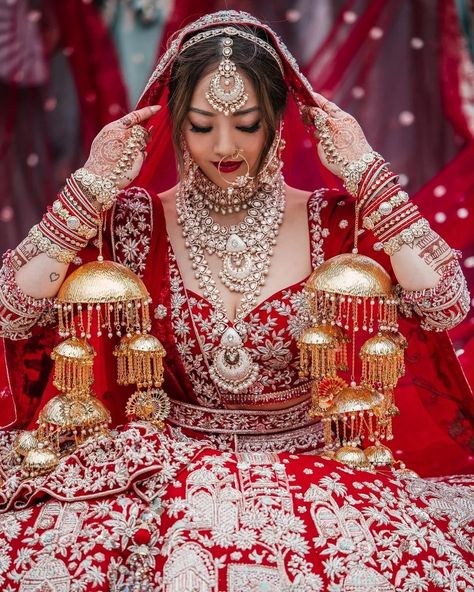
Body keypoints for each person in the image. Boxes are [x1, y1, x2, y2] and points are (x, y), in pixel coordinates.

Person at [0, 10, 473, 592]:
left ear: (278, 120)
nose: (224, 146)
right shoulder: (133, 225)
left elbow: (447, 304)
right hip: (164, 469)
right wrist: (90, 188)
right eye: (202, 126)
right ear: (175, 123)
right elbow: (14, 311)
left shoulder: (335, 223)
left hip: (317, 472)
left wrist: (368, 177)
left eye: (246, 124)